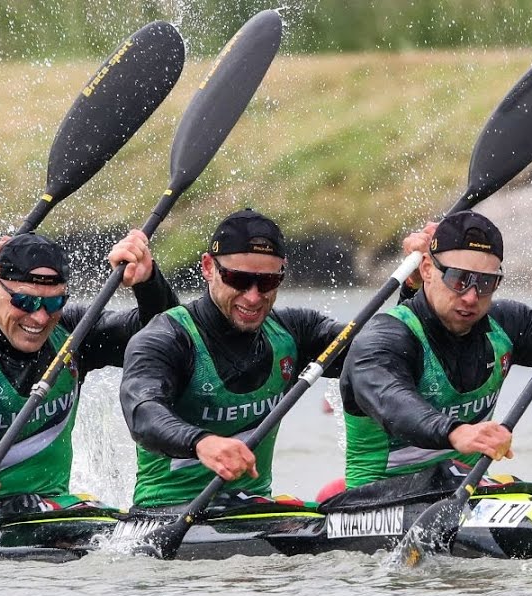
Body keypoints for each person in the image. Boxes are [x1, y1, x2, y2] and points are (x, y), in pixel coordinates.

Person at [330, 209, 532, 506]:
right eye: (458, 279)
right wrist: (457, 431)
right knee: (452, 475)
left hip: (464, 492)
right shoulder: (382, 338)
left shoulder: (505, 325)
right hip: (374, 502)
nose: (471, 296)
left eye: (485, 283)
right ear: (427, 269)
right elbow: (392, 403)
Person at [118, 208, 409, 513]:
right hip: (168, 510)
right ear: (208, 267)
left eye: (268, 282)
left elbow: (385, 355)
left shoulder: (294, 332)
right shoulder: (166, 337)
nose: (254, 297)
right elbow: (143, 413)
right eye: (238, 279)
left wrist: (415, 288)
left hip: (252, 508)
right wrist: (201, 442)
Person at [0, 230, 179, 513]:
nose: (40, 317)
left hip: (51, 510)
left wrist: (148, 282)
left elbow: (167, 341)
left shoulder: (72, 334)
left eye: (53, 303)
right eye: (25, 302)